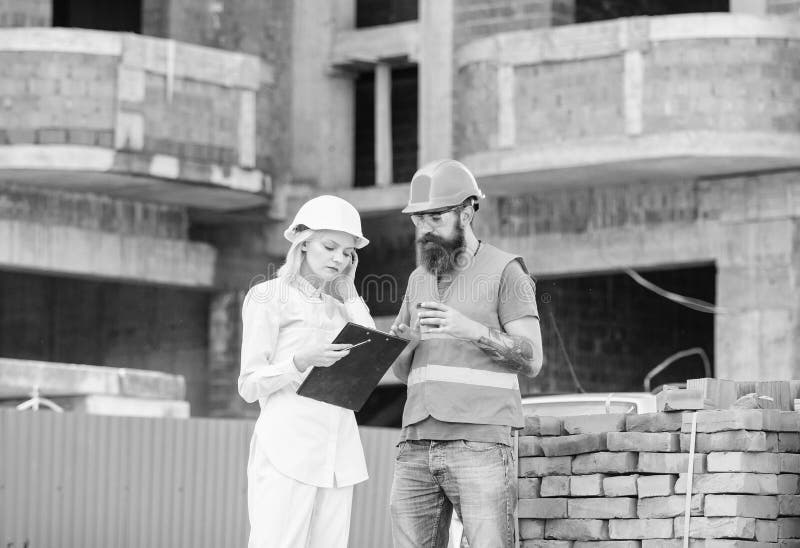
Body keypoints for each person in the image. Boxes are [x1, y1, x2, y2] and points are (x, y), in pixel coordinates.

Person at [389, 159, 544, 548]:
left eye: (435, 217)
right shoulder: (418, 279)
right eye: (418, 219)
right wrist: (406, 345)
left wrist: (470, 330)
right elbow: (404, 373)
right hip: (415, 442)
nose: (425, 229)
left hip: (480, 443)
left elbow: (532, 359)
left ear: (467, 212)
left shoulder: (506, 271)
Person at [238, 195, 375, 548]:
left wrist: (350, 293)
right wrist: (299, 361)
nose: (338, 258)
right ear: (303, 244)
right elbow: (249, 385)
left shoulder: (341, 308)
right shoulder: (268, 297)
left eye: (347, 253)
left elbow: (374, 352)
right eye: (330, 247)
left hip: (338, 453)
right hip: (288, 448)